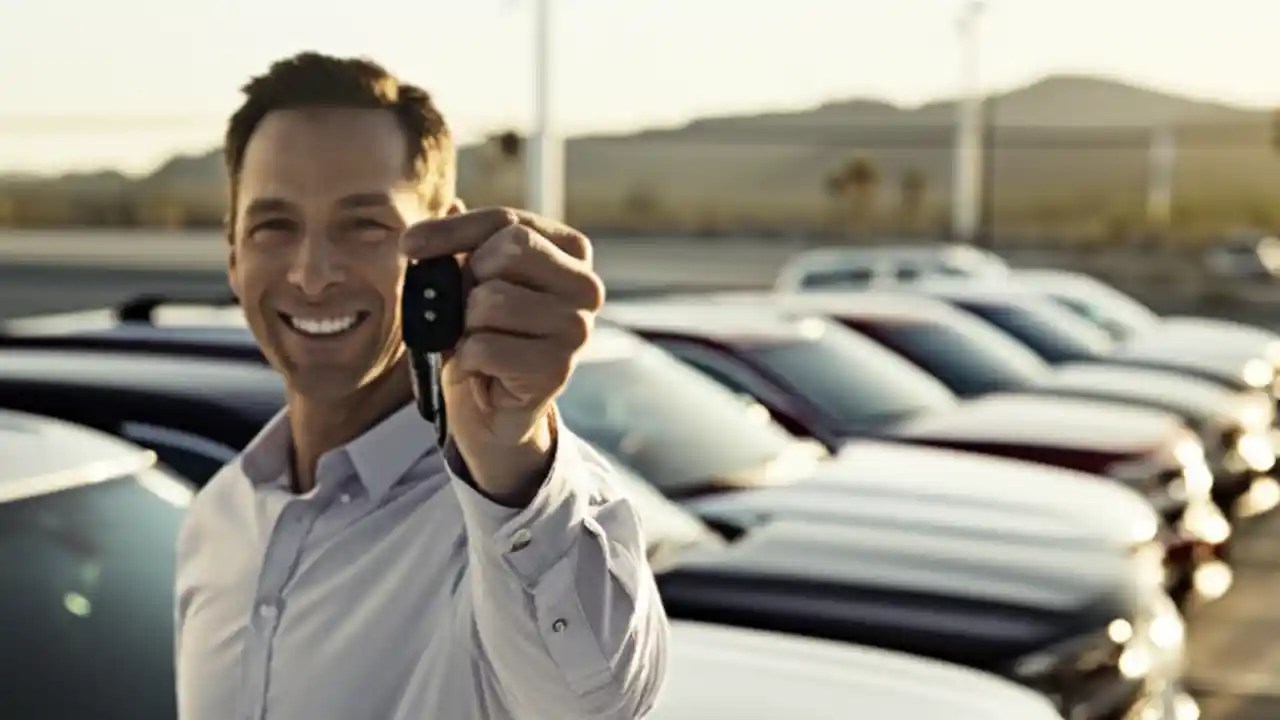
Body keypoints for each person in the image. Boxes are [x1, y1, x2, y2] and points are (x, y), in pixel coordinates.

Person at [173, 51, 669, 719]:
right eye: (273, 226)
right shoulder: (215, 520)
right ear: (232, 253)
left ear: (446, 248)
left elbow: (599, 700)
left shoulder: (514, 510)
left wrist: (512, 453)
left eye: (365, 225)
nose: (313, 274)